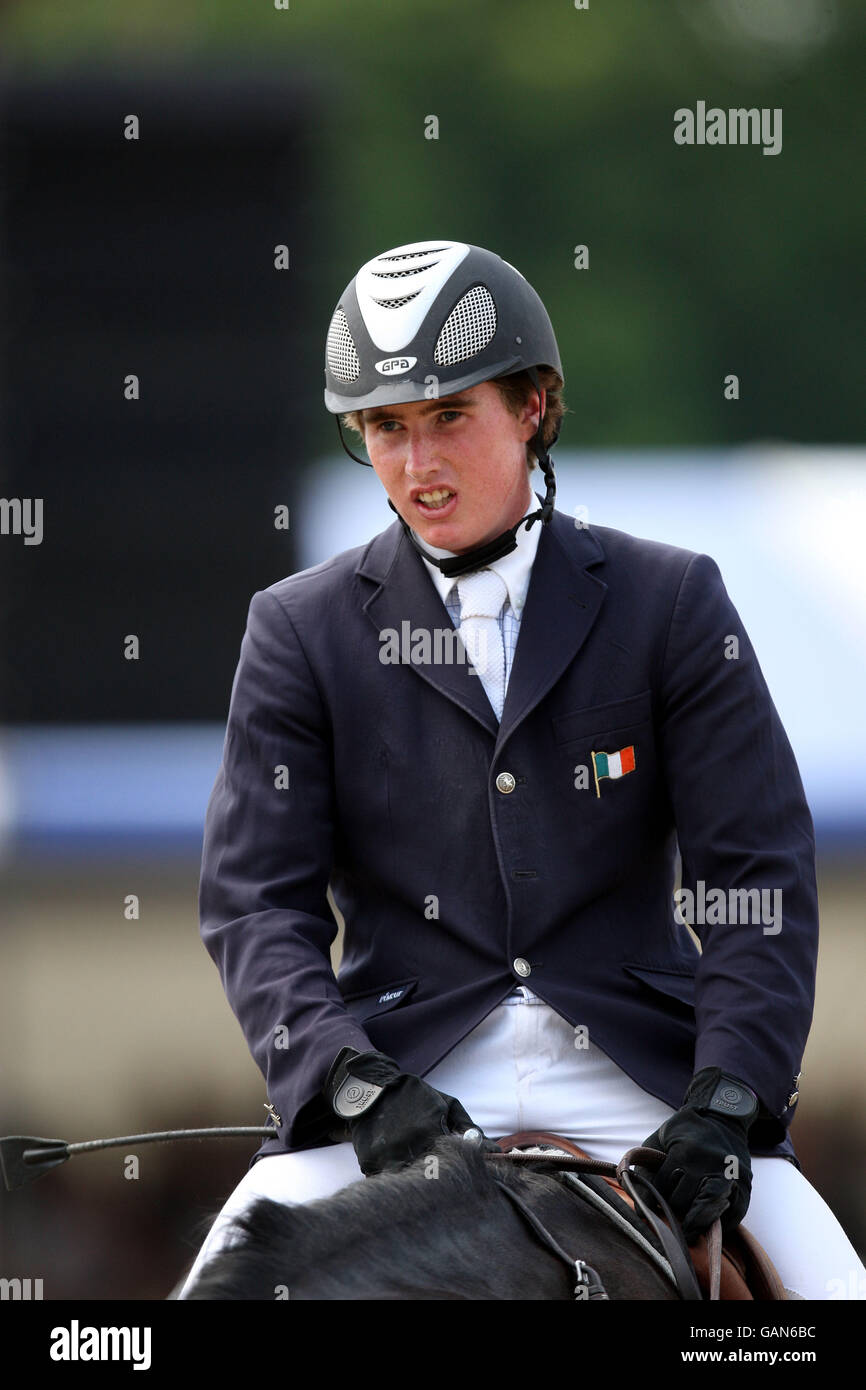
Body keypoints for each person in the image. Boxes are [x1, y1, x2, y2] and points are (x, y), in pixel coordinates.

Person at [178, 239, 864, 1300]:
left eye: (448, 416)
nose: (415, 463)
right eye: (386, 429)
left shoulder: (669, 602)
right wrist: (346, 1078)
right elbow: (252, 902)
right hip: (404, 1083)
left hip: (636, 1081)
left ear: (533, 407)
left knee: (831, 1291)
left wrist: (728, 1097)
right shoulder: (298, 630)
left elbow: (756, 876)